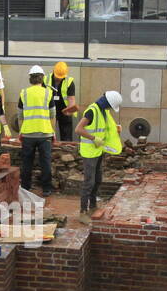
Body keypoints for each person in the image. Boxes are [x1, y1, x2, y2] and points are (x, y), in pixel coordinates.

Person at [74, 91, 123, 220]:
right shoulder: (92, 111)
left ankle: (93, 206)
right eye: (110, 106)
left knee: (98, 179)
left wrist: (116, 128)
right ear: (107, 103)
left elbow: (106, 128)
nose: (110, 109)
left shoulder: (104, 111)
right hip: (89, 152)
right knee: (89, 182)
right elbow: (78, 129)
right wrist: (93, 138)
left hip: (98, 150)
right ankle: (83, 212)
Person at [17, 65, 56, 196]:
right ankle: (46, 189)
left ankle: (25, 186)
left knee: (27, 162)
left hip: (28, 134)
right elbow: (52, 115)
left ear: (30, 78)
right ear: (42, 78)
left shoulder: (24, 93)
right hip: (45, 134)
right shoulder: (48, 93)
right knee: (45, 162)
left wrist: (21, 131)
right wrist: (52, 132)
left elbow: (20, 115)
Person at [44, 61, 77, 141]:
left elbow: (71, 98)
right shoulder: (45, 79)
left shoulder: (69, 82)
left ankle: (66, 150)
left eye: (61, 77)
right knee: (48, 135)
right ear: (53, 71)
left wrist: (70, 110)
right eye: (57, 76)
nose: (59, 78)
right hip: (49, 110)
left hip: (64, 110)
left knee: (66, 136)